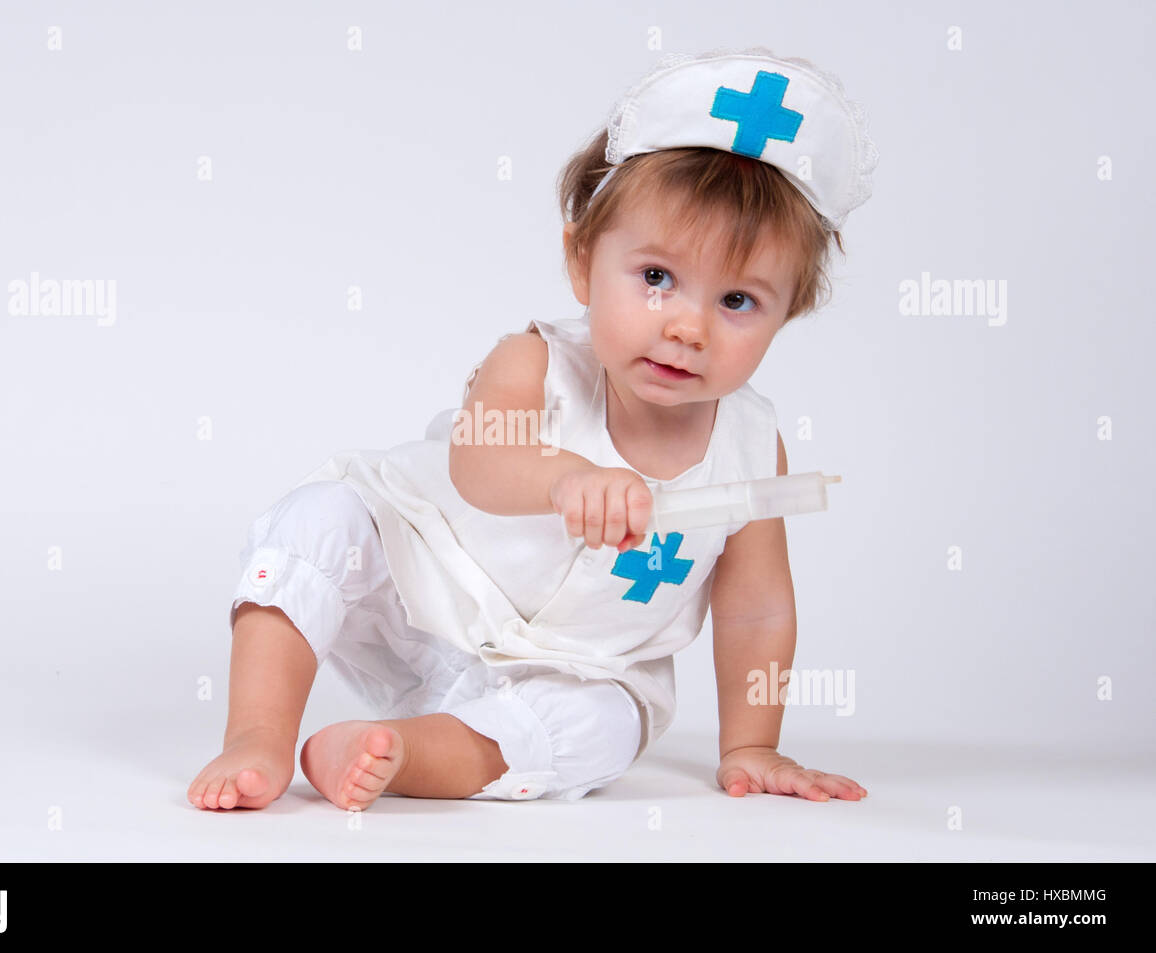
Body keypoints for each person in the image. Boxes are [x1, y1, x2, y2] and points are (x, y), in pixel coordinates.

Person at [188, 46, 879, 810]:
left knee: (604, 729)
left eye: (738, 300)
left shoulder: (751, 450)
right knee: (317, 521)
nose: (688, 327)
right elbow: (477, 464)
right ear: (582, 262)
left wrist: (752, 742)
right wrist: (567, 479)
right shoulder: (533, 362)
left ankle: (401, 751)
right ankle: (258, 734)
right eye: (656, 278)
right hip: (420, 592)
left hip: (573, 664)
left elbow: (757, 608)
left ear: (789, 313)